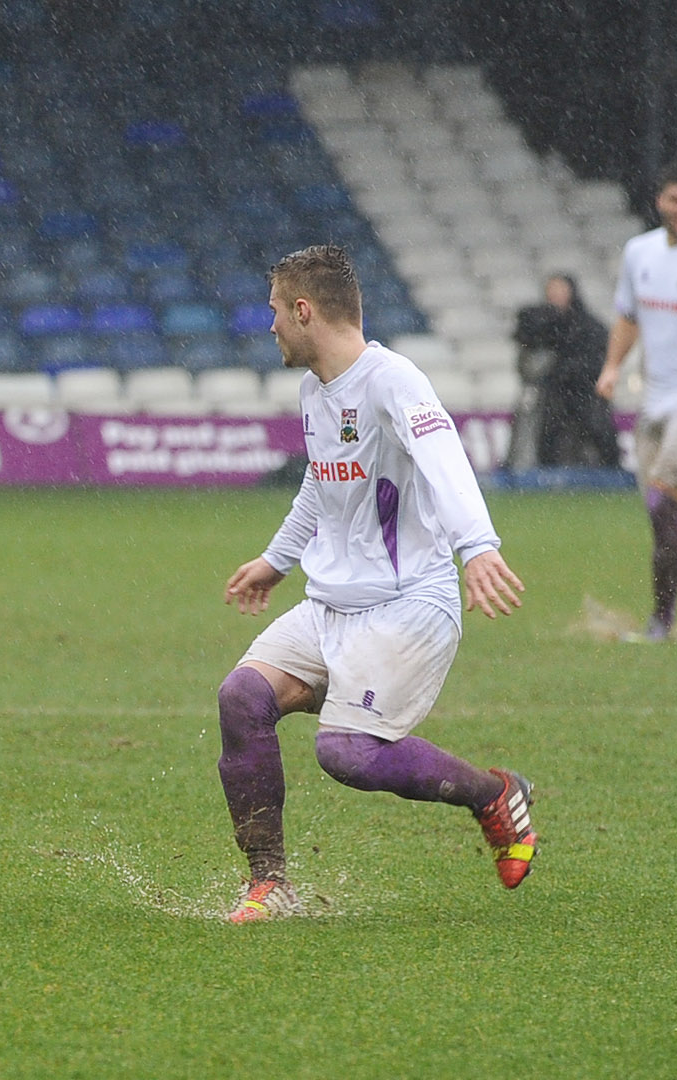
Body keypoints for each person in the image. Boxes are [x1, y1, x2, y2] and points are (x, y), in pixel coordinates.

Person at [217, 245, 535, 923]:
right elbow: (320, 479)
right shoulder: (315, 390)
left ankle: (493, 794)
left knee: (347, 754)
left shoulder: (394, 380)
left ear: (305, 310)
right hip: (333, 604)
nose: (270, 324)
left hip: (407, 604)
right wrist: (277, 559)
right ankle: (270, 883)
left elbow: (444, 456)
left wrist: (477, 546)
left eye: (275, 310)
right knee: (242, 698)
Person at [595, 159, 677, 642]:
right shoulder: (639, 252)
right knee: (667, 513)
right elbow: (629, 317)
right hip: (655, 397)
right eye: (675, 199)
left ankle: (660, 624)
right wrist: (612, 366)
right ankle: (662, 622)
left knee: (665, 502)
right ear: (660, 202)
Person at [512, 274, 619, 468]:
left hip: (585, 395)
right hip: (551, 398)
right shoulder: (540, 322)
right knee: (548, 440)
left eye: (560, 289)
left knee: (596, 436)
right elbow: (525, 338)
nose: (555, 295)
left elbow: (595, 359)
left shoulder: (588, 326)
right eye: (551, 290)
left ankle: (605, 471)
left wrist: (566, 370)